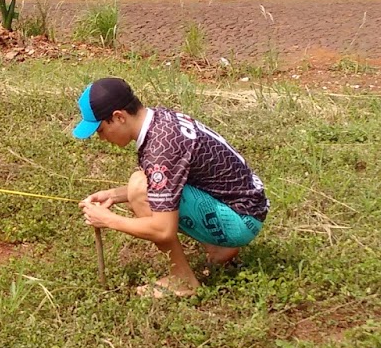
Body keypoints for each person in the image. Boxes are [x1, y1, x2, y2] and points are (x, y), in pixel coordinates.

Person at [73, 77, 268, 297]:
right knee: (140, 185)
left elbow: (163, 229)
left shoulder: (160, 149)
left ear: (119, 117)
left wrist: (107, 219)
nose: (101, 138)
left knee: (139, 189)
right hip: (245, 206)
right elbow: (172, 179)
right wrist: (113, 195)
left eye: (99, 130)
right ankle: (219, 247)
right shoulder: (160, 120)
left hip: (241, 220)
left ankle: (183, 280)